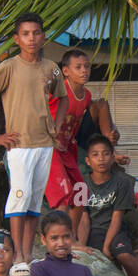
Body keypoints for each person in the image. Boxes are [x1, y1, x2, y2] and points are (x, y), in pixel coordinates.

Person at [0, 12, 66, 264]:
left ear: (44, 36)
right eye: (26, 34)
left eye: (36, 33)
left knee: (35, 200)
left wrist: (57, 126)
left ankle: (27, 255)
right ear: (17, 39)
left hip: (44, 144)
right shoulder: (8, 67)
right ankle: (15, 253)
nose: (31, 38)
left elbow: (63, 97)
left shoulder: (52, 68)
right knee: (19, 196)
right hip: (18, 144)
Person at [76, 135, 138, 276]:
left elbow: (117, 216)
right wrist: (81, 244)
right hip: (92, 231)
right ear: (88, 160)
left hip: (115, 232)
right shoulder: (81, 183)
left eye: (105, 154)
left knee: (124, 256)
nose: (101, 158)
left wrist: (107, 247)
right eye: (95, 155)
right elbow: (83, 217)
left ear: (112, 157)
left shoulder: (122, 182)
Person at [45, 49, 94, 240]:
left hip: (67, 148)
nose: (84, 71)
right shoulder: (58, 90)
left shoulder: (87, 96)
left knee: (81, 192)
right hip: (50, 148)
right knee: (63, 196)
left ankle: (71, 238)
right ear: (65, 71)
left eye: (87, 67)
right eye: (78, 67)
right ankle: (60, 240)